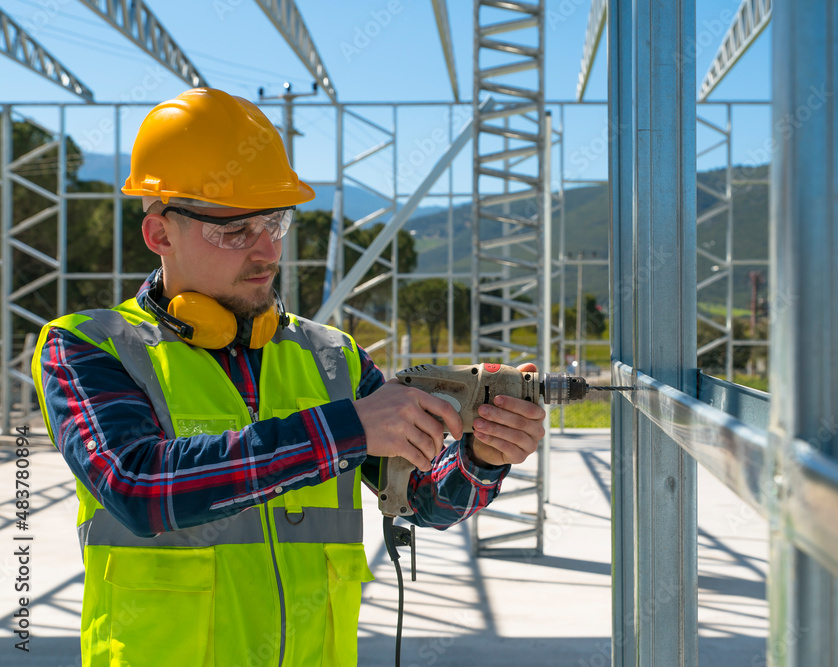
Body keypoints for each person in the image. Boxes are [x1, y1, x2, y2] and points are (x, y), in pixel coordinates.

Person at [31, 88, 546, 667]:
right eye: (235, 231)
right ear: (160, 235)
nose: (268, 252)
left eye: (275, 222)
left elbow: (423, 500)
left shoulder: (333, 358)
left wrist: (481, 456)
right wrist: (347, 430)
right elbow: (139, 486)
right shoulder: (91, 347)